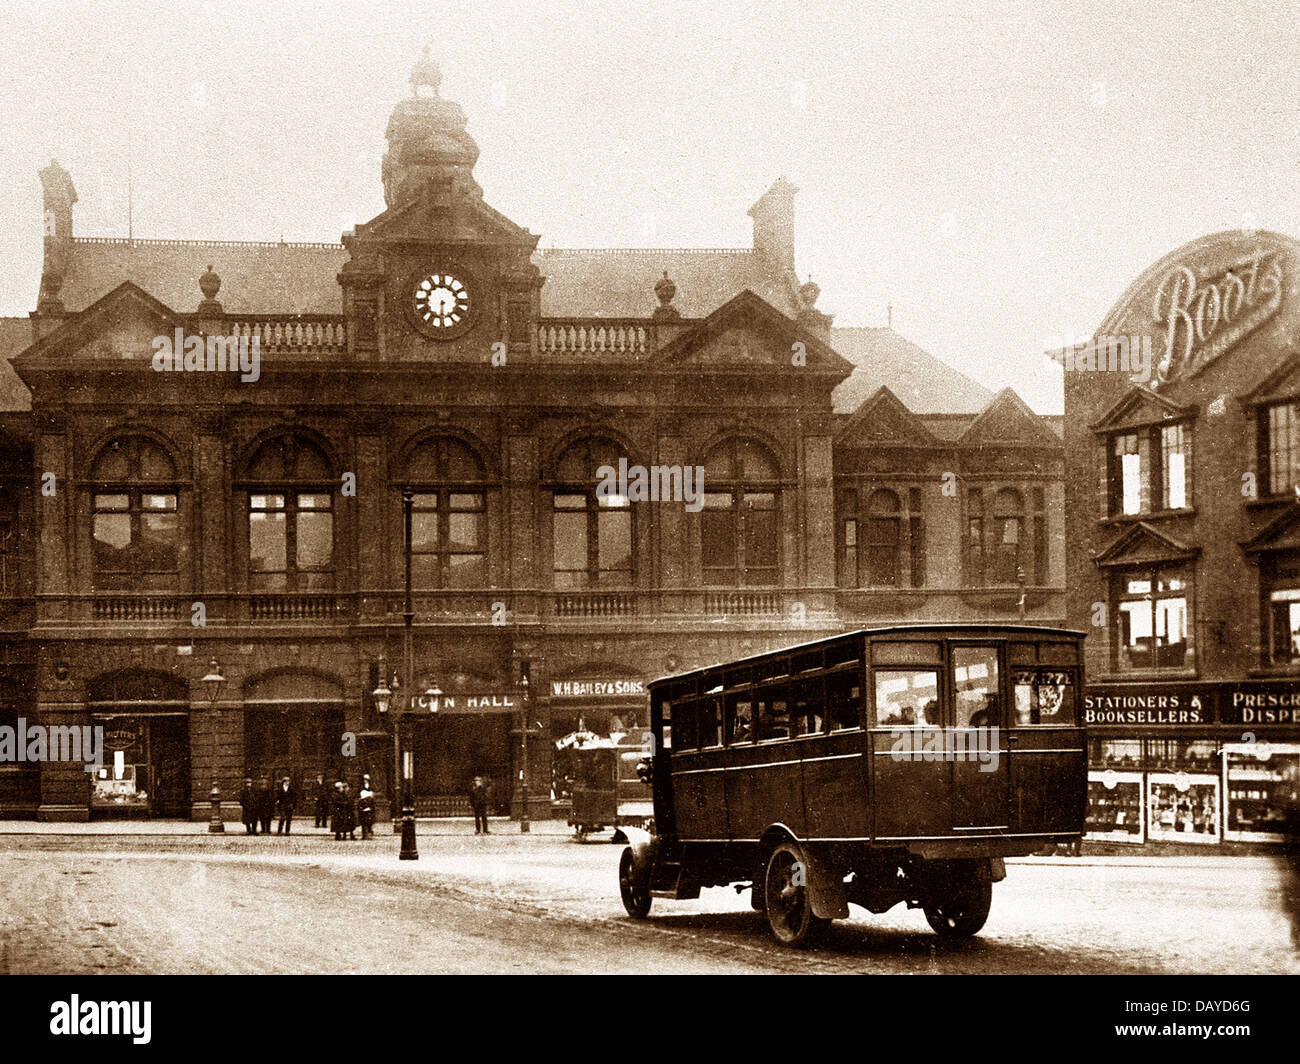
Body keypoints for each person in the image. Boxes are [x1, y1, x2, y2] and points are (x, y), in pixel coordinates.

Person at [357, 775, 376, 840]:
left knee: (369, 822)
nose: (365, 781)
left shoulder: (371, 786)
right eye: (364, 779)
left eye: (366, 779)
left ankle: (369, 833)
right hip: (364, 805)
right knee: (364, 822)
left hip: (369, 805)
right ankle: (364, 834)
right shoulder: (361, 787)